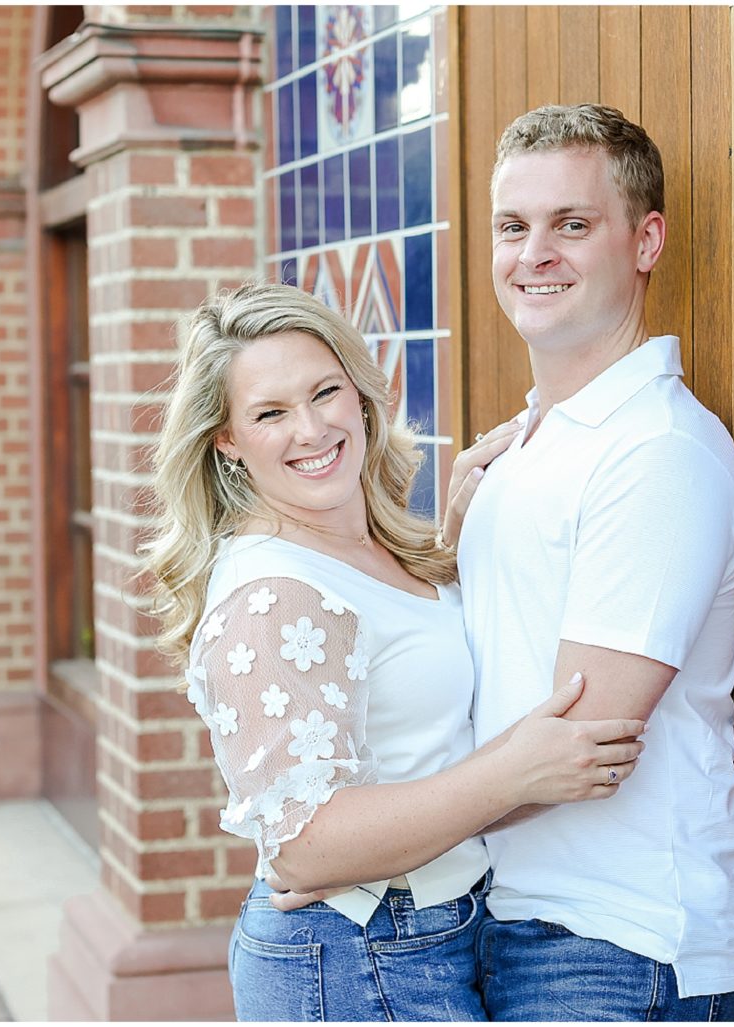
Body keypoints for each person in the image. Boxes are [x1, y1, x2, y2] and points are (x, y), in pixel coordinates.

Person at [141, 282, 647, 1022]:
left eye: (324, 392)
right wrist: (513, 771)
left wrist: (462, 541)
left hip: (430, 934)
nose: (311, 429)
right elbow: (307, 850)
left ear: (359, 391)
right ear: (227, 439)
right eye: (270, 413)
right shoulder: (272, 591)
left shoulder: (373, 546)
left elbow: (405, 711)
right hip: (354, 956)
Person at [454, 104, 734, 1021]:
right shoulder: (531, 448)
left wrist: (355, 831)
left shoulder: (656, 453)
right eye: (514, 227)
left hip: (617, 946)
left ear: (645, 241)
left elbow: (573, 752)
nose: (533, 253)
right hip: (511, 912)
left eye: (571, 225)